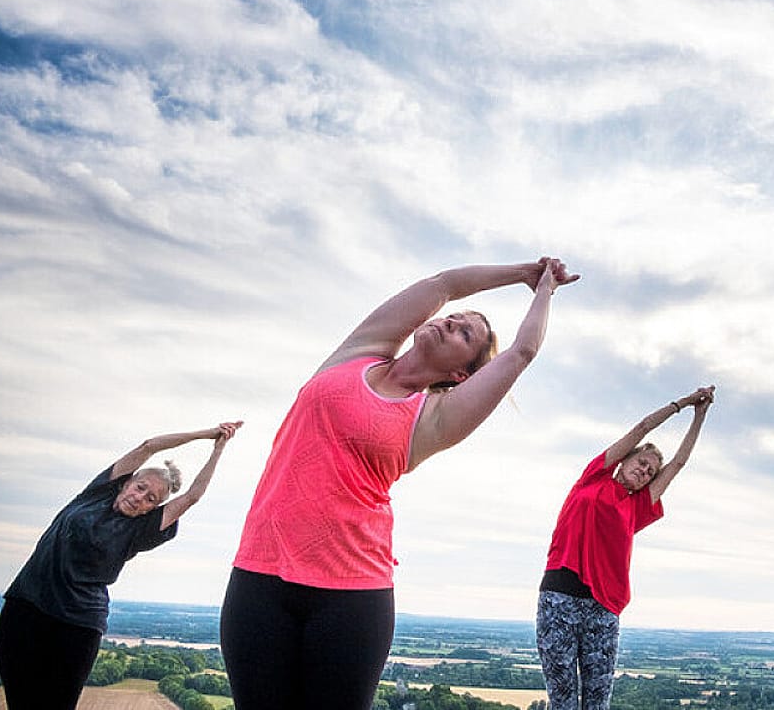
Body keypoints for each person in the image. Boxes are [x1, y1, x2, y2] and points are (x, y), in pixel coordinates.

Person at [220, 258, 578, 710]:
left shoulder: (433, 418)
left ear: (461, 376)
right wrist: (522, 271)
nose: (451, 323)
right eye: (454, 319)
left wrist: (545, 288)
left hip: (350, 596)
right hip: (259, 576)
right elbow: (445, 285)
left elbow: (521, 353)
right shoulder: (357, 353)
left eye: (465, 334)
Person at [0, 421, 243, 710]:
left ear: (153, 509)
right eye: (140, 487)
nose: (140, 498)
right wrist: (205, 433)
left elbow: (192, 496)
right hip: (24, 608)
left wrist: (218, 448)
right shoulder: (97, 492)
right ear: (126, 482)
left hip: (76, 625)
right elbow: (149, 446)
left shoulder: (142, 530)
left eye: (151, 499)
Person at [536, 386, 715, 710]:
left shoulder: (637, 508)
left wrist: (699, 417)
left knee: (597, 702)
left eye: (649, 472)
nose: (644, 471)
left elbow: (678, 463)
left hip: (602, 609)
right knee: (562, 701)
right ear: (625, 459)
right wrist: (683, 403)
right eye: (641, 462)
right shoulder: (593, 477)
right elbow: (642, 427)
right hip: (559, 599)